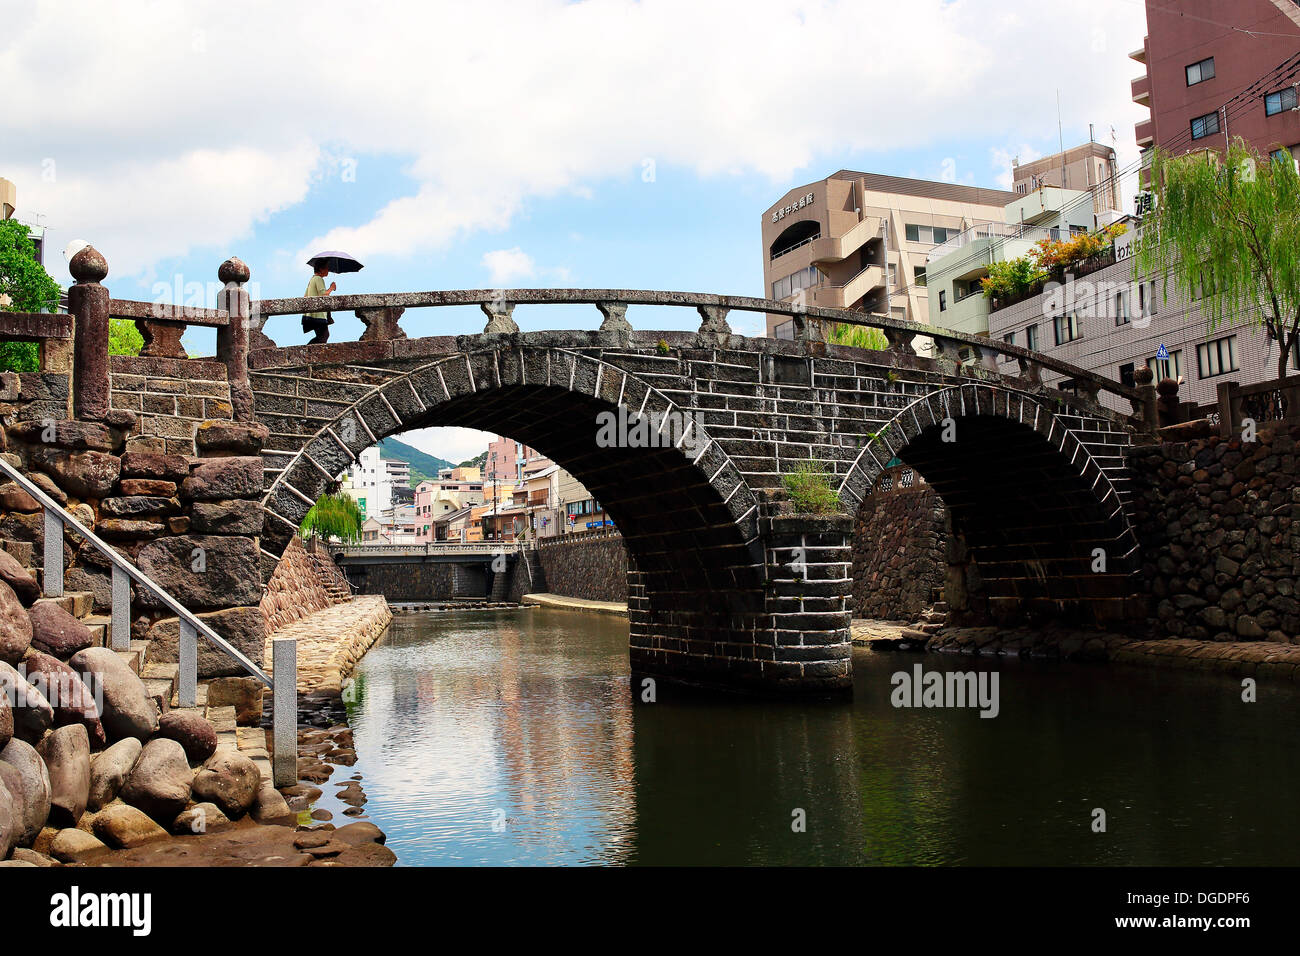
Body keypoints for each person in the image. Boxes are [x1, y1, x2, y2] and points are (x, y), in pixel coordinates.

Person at [303, 264, 336, 343]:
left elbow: (305, 296)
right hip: (318, 314)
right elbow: (323, 295)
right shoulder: (318, 279)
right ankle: (308, 351)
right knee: (324, 335)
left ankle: (307, 351)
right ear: (321, 269)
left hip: (312, 314)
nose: (328, 271)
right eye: (327, 268)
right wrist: (331, 288)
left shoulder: (312, 279)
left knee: (322, 335)